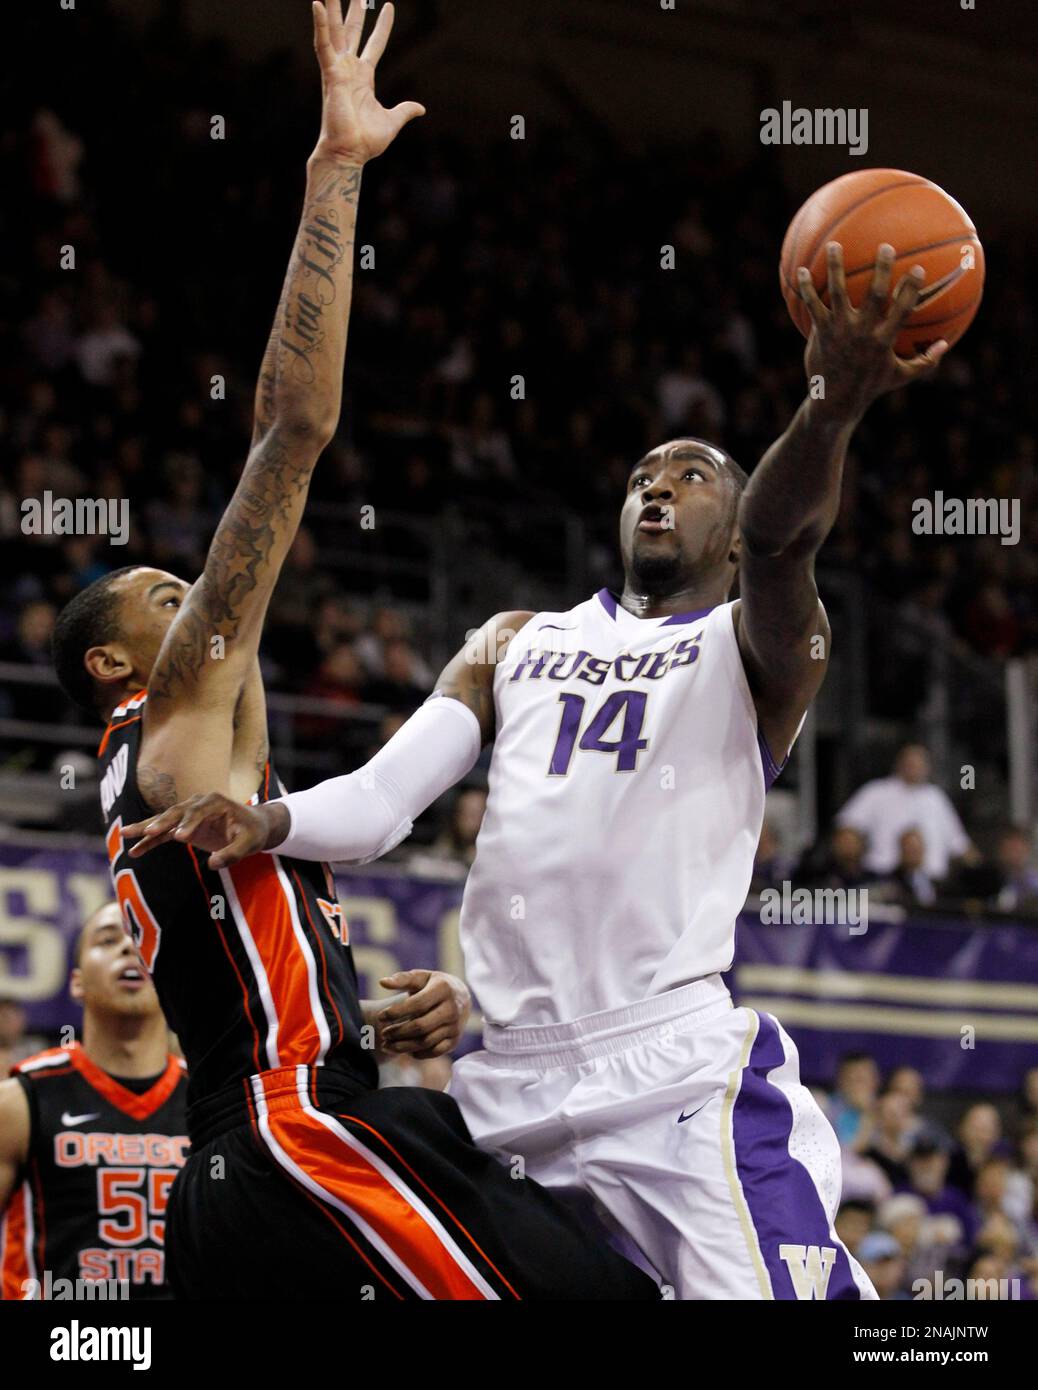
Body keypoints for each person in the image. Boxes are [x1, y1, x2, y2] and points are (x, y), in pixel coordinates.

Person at [127, 240, 952, 1299]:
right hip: (506, 1085)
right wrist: (266, 822)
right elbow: (382, 802)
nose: (658, 490)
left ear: (732, 533)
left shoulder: (762, 644)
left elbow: (787, 536)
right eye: (643, 477)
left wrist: (830, 404)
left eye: (689, 476)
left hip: (674, 1078)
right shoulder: (512, 638)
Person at [50, 2, 655, 1305]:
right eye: (166, 589)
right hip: (292, 1142)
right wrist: (336, 175)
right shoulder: (172, 723)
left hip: (276, 1141)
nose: (198, 585)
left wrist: (376, 1022)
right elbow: (293, 427)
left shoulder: (205, 794)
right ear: (117, 668)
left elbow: (235, 1010)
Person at [0, 903, 188, 1299]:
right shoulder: (20, 1100)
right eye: (107, 939)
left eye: (141, 939)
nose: (128, 949)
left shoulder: (210, 1100)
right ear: (77, 981)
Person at [836, 744, 974, 879]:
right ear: (899, 764)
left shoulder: (935, 797)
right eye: (910, 763)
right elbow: (847, 828)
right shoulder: (876, 792)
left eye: (919, 763)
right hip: (884, 877)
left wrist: (981, 870)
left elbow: (959, 843)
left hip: (931, 882)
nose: (914, 768)